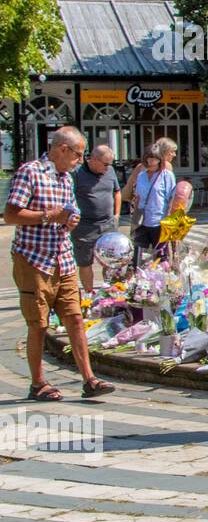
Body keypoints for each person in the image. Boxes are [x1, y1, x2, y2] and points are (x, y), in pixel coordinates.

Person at [5, 126, 115, 401]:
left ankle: (89, 379)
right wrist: (48, 216)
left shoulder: (66, 179)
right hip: (33, 259)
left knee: (76, 318)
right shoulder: (30, 172)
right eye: (77, 155)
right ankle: (38, 383)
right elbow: (11, 214)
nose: (80, 161)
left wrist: (70, 219)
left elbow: (68, 210)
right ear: (62, 149)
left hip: (62, 258)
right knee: (38, 323)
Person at [70, 145, 122, 292]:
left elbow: (117, 192)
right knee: (85, 262)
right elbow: (68, 196)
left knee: (110, 261)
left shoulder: (110, 171)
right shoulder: (77, 173)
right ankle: (89, 294)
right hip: (85, 227)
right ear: (93, 159)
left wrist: (116, 215)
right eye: (105, 164)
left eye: (110, 164)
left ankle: (109, 292)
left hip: (108, 225)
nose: (107, 168)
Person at [131, 138, 177, 268]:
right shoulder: (141, 175)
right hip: (142, 221)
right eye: (149, 158)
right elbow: (138, 197)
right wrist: (134, 219)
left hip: (159, 221)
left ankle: (163, 283)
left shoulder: (166, 175)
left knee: (161, 257)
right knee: (139, 257)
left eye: (155, 159)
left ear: (159, 159)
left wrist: (169, 220)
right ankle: (141, 282)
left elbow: (171, 198)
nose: (151, 162)